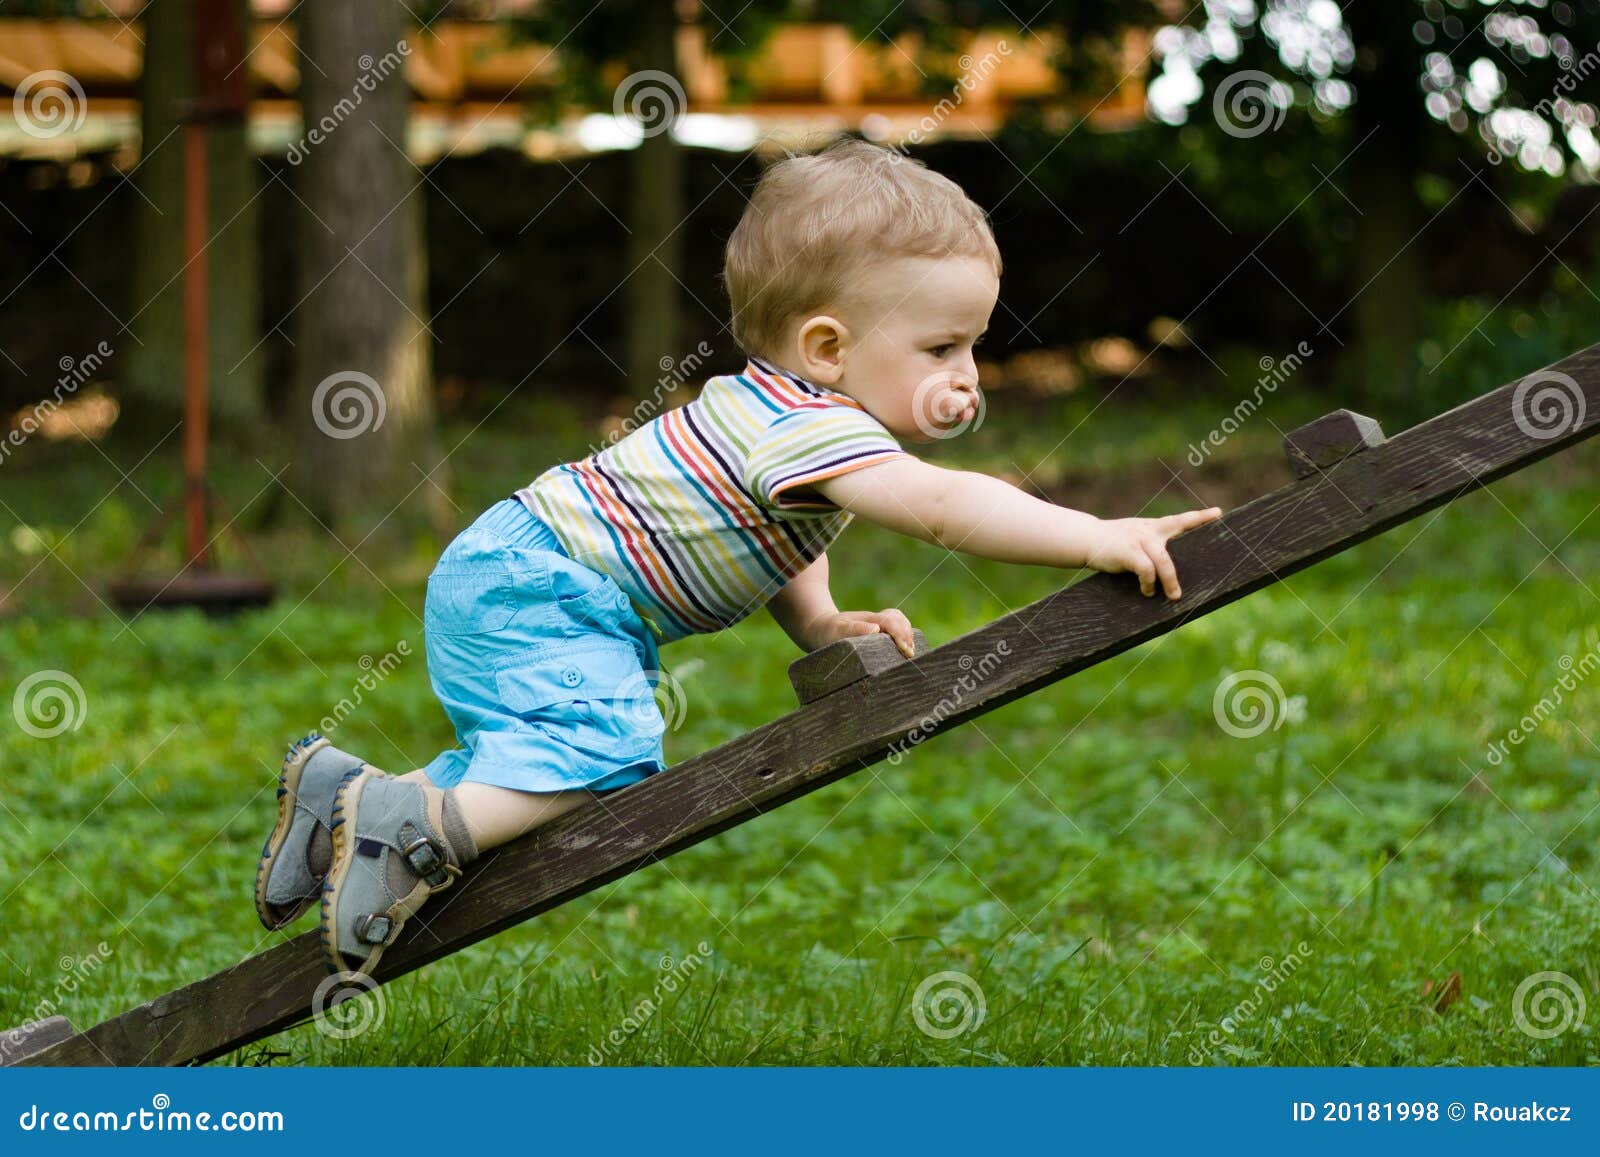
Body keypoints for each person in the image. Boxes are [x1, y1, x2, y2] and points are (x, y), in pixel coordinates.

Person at [253, 138, 1221, 979]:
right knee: (603, 750)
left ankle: (342, 801)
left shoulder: (771, 410)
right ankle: (401, 828)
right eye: (941, 347)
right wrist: (1093, 535)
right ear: (828, 346)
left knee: (523, 759)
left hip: (514, 573)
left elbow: (779, 534)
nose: (967, 375)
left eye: (973, 344)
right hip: (547, 590)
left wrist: (819, 619)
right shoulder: (813, 426)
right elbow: (939, 505)